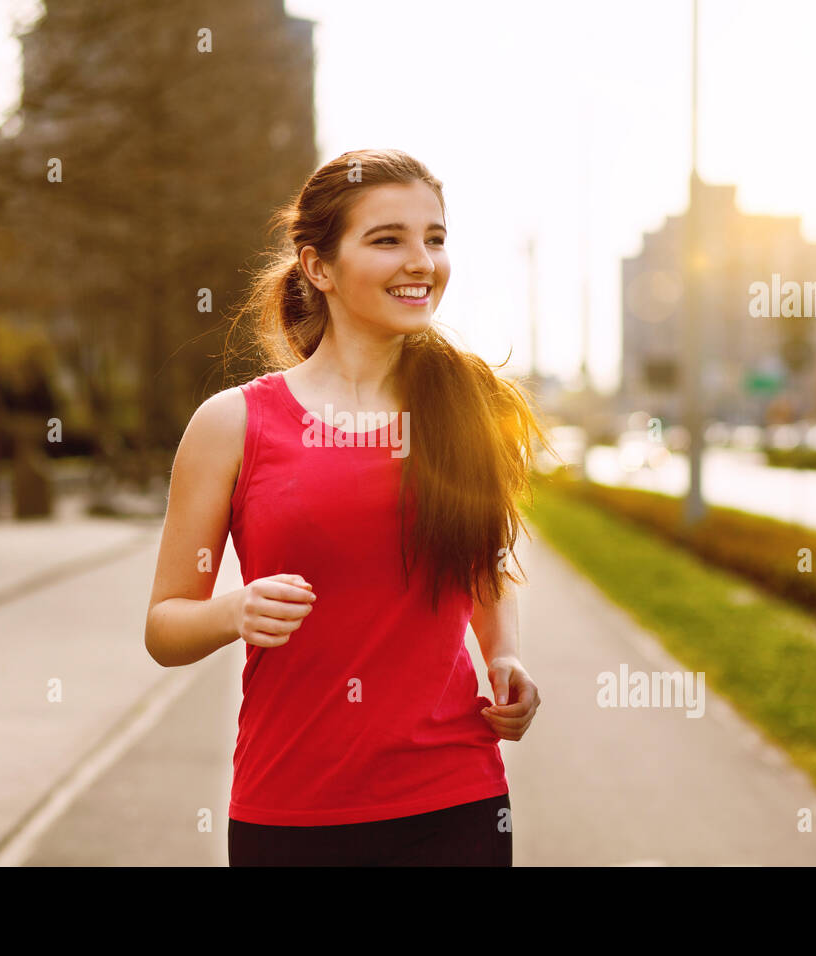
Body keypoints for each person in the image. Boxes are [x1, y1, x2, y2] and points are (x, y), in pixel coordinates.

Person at [145, 148, 548, 866]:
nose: (421, 260)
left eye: (435, 238)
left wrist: (504, 653)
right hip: (292, 809)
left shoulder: (466, 408)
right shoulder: (233, 423)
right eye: (388, 239)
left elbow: (481, 564)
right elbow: (164, 626)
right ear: (318, 267)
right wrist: (233, 611)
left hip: (453, 798)